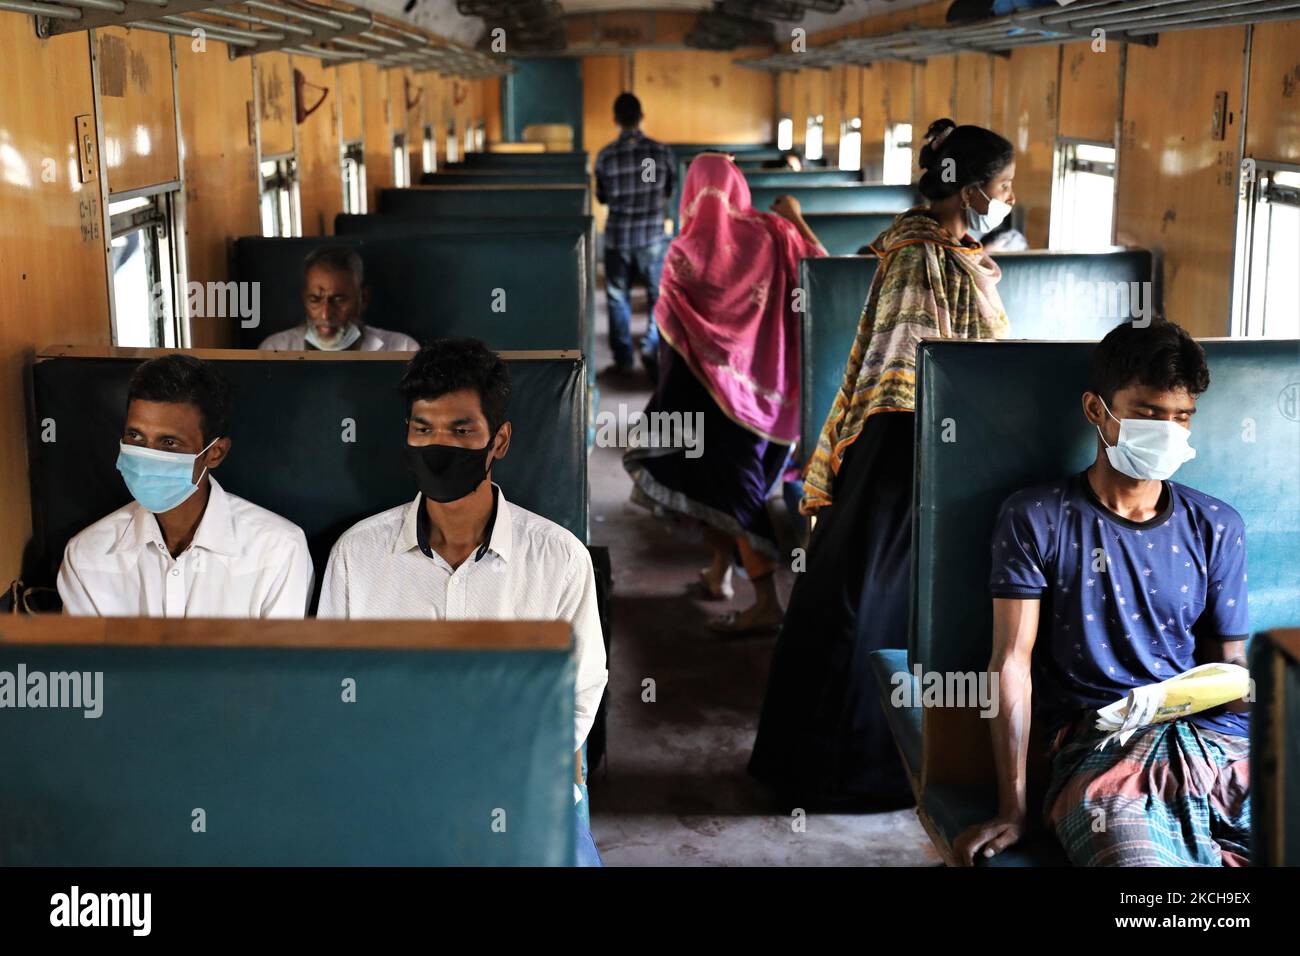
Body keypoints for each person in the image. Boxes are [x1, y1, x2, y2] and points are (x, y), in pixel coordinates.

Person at [749, 118, 1016, 808]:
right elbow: (904, 365)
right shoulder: (915, 256)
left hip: (931, 440)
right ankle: (841, 773)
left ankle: (890, 762)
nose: (1010, 199)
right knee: (864, 600)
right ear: (975, 188)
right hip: (897, 440)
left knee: (887, 601)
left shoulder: (955, 249)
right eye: (1006, 186)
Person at [956, 321, 1251, 867]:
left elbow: (1230, 668)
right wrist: (1012, 810)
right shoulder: (1037, 519)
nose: (1167, 430)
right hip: (1101, 749)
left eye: (1181, 416)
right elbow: (1010, 664)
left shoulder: (1216, 525)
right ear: (1097, 411)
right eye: (1146, 413)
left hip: (1213, 741)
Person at [317, 338, 609, 865]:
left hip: (518, 788)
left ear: (499, 441)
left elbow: (580, 691)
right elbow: (332, 690)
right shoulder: (356, 556)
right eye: (422, 429)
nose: (439, 446)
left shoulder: (559, 559)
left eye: (462, 430)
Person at [622, 153, 826, 636]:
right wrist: (794, 215)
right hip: (767, 395)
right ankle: (718, 575)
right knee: (721, 489)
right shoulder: (774, 233)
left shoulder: (683, 251)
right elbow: (823, 271)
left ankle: (766, 603)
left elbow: (669, 336)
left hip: (701, 395)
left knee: (730, 492)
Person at [57, 354, 313, 617]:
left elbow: (278, 658)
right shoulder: (87, 555)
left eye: (169, 443)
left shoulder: (277, 550)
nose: (147, 455)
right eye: (135, 436)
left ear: (215, 453)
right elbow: (86, 658)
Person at [594, 92, 675, 380]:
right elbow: (668, 191)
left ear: (615, 120)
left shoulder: (605, 156)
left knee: (618, 297)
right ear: (642, 117)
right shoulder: (662, 152)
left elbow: (602, 197)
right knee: (658, 295)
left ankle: (623, 359)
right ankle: (651, 345)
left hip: (617, 237)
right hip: (652, 237)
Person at [259, 246, 419, 351]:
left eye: (339, 300)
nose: (326, 314)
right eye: (315, 300)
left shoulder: (402, 349)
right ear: (304, 299)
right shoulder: (275, 349)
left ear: (363, 299)